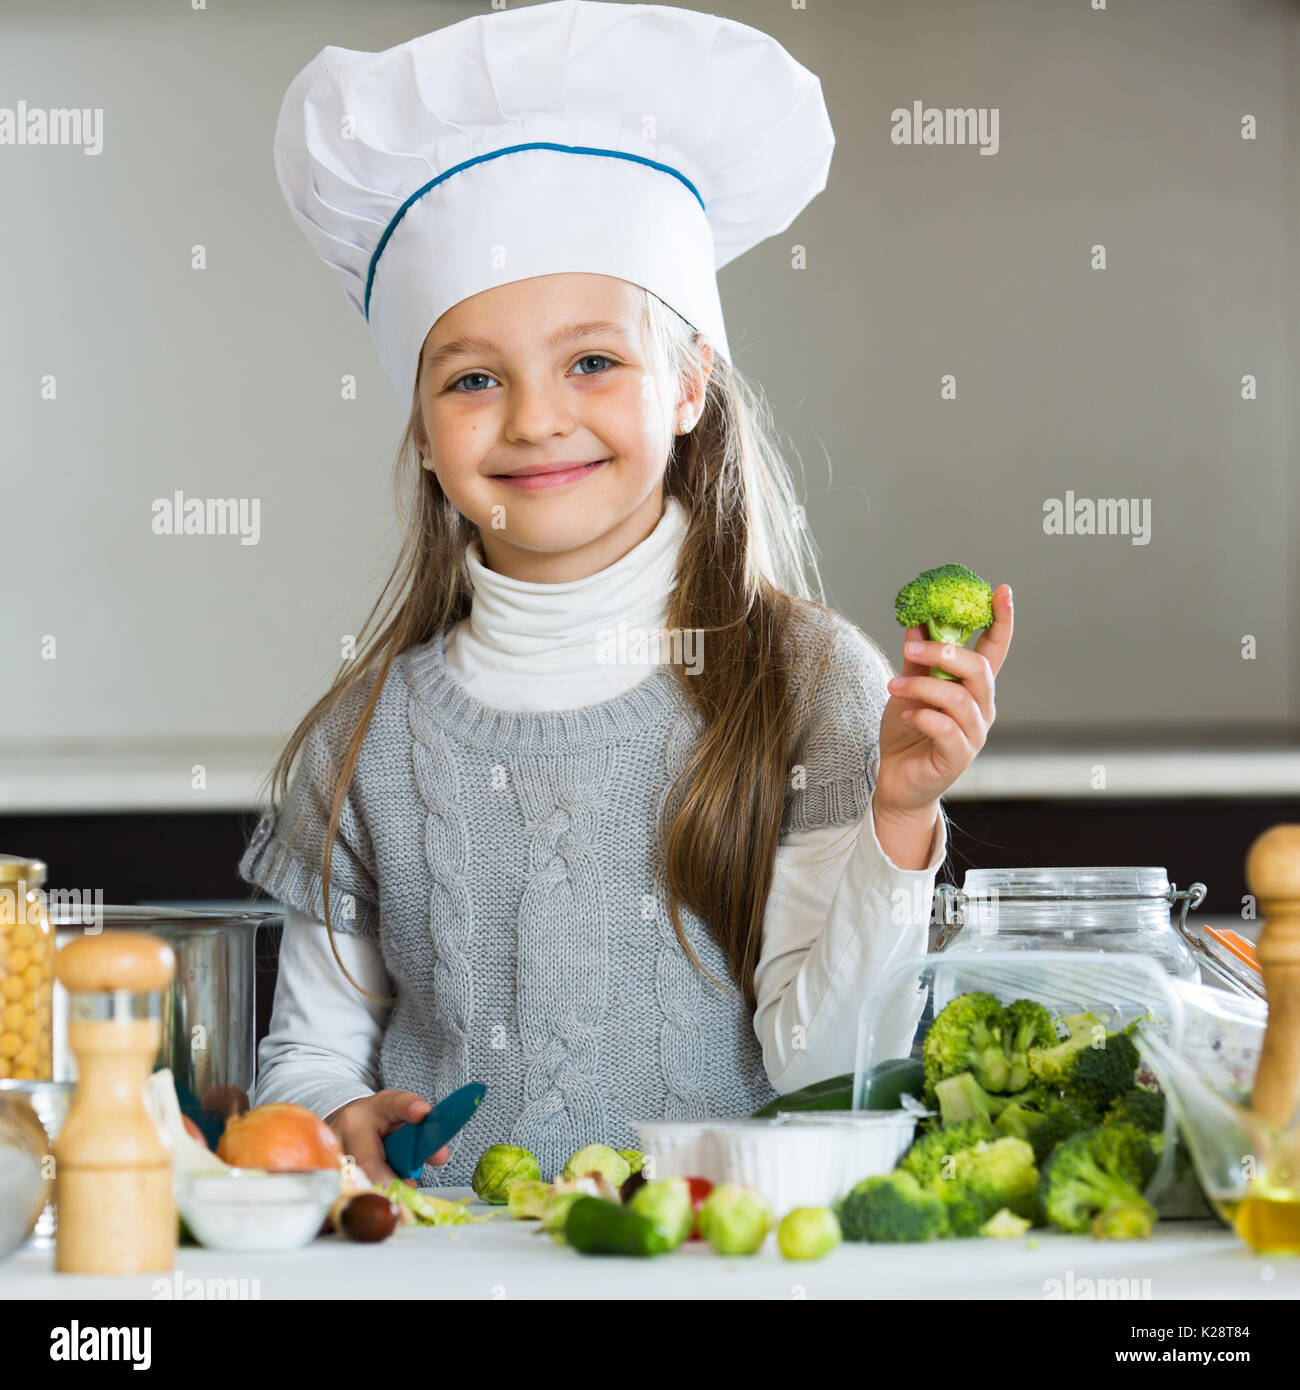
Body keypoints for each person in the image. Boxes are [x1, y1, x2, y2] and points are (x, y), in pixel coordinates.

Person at [240, 0, 1014, 1190]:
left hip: (722, 1268)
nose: (536, 416)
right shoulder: (365, 734)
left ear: (690, 381)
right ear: (425, 425)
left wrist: (898, 819)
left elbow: (830, 1067)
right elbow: (307, 1052)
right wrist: (336, 1113)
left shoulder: (808, 684)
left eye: (592, 360)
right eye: (473, 377)